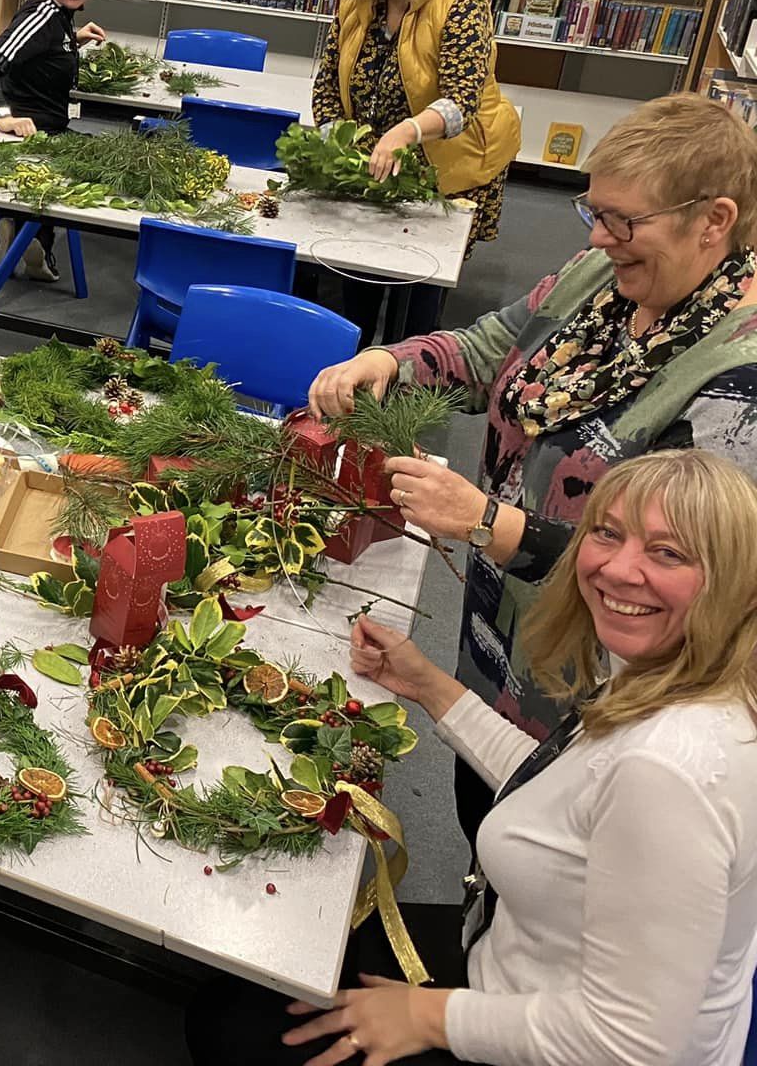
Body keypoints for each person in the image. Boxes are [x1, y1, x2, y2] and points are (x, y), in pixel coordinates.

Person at [188, 449, 757, 1066]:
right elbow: (559, 781)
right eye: (608, 533)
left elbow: (631, 1045)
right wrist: (429, 685)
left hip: (553, 1037)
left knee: (231, 1026)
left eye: (667, 553)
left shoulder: (670, 769)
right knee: (279, 965)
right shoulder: (681, 673)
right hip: (514, 957)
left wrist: (429, 1017)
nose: (620, 569)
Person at [305, 92, 757, 843]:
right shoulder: (600, 278)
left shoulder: (738, 378)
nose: (603, 238)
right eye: (594, 213)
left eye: (625, 221)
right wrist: (391, 358)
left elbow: (696, 576)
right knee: (486, 815)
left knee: (560, 846)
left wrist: (489, 522)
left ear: (714, 220)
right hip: (504, 620)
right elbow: (490, 351)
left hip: (609, 676)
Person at [313, 0, 520, 338]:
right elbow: (328, 84)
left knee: (417, 301)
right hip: (374, 166)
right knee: (358, 280)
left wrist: (405, 132)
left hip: (448, 169)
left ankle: (403, 387)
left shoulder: (460, 0)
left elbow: (461, 99)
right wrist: (337, 142)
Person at [0, 0, 106, 282]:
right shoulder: (43, 15)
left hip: (47, 124)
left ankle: (22, 231)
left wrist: (72, 41)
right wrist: (4, 117)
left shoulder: (58, 13)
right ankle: (32, 237)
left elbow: (36, 49)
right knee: (99, 162)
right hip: (35, 132)